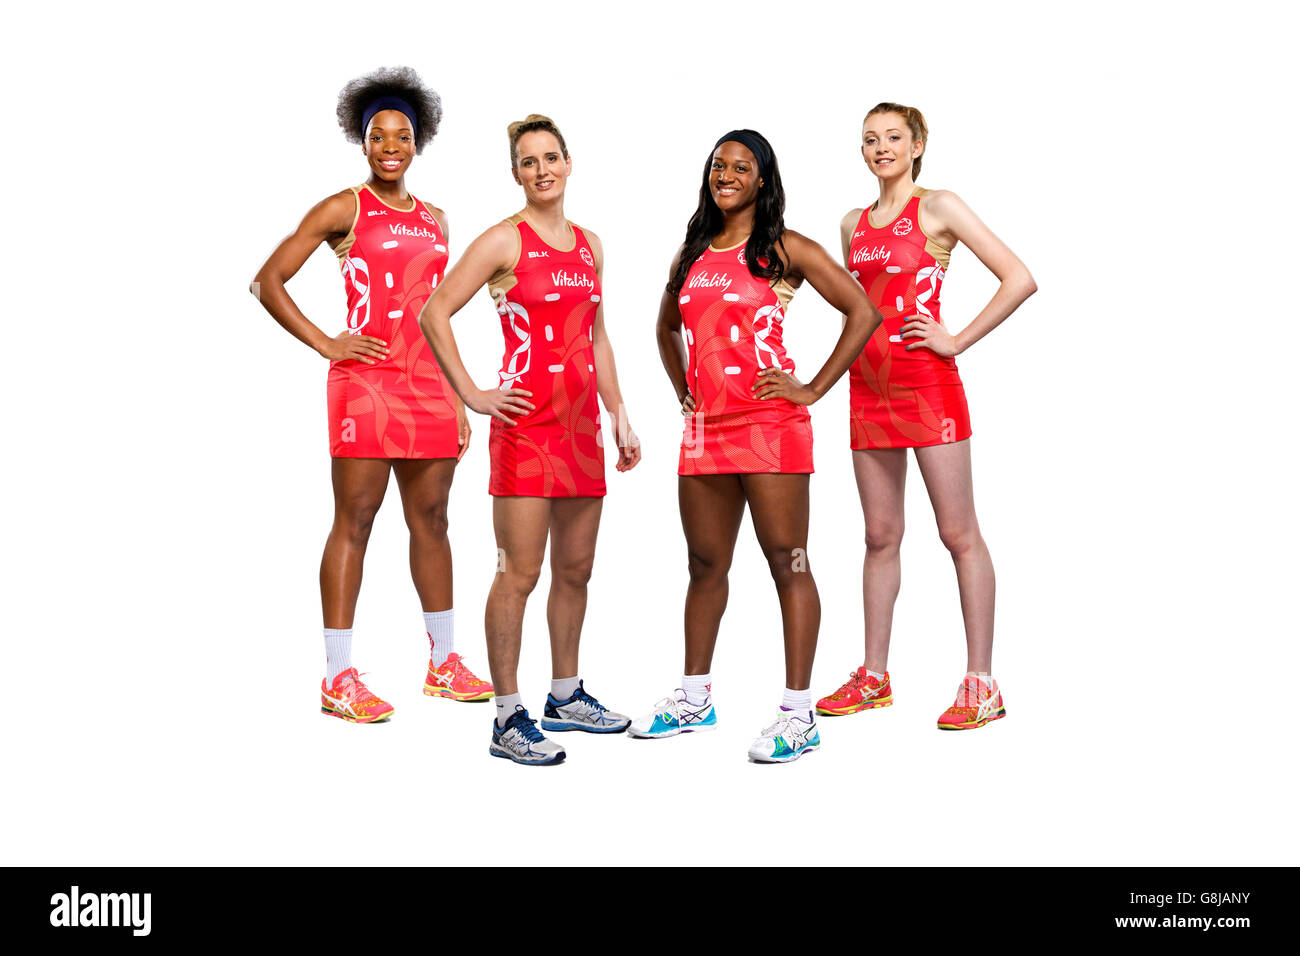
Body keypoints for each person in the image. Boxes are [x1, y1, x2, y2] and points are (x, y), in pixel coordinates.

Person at [628, 130, 881, 763]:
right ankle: (694, 698)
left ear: (762, 179)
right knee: (705, 566)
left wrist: (812, 388)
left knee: (787, 562)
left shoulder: (784, 248)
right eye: (719, 166)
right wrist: (683, 386)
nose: (728, 174)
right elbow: (665, 326)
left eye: (742, 167)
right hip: (706, 431)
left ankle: (799, 715)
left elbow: (862, 311)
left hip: (771, 427)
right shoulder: (691, 252)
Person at [251, 67, 492, 724]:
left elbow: (437, 312)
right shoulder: (343, 208)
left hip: (428, 390)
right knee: (355, 523)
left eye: (402, 136)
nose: (391, 146)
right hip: (366, 387)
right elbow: (267, 281)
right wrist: (329, 343)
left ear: (417, 144)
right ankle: (338, 678)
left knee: (434, 523)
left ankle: (444, 664)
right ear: (364, 143)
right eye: (379, 136)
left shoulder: (438, 219)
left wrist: (456, 395)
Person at [419, 114, 641, 765]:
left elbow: (596, 336)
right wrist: (473, 394)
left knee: (576, 570)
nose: (541, 170)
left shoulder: (591, 245)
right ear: (516, 172)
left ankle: (565, 696)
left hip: (581, 431)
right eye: (528, 161)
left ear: (569, 163)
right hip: (525, 429)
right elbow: (434, 310)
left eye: (551, 157)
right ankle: (506, 716)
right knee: (519, 573)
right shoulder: (502, 241)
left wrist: (620, 414)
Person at [815, 102, 1036, 730]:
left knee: (958, 533)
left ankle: (981, 682)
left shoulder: (939, 206)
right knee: (879, 537)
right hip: (868, 390)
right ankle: (874, 675)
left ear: (916, 145)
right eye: (869, 140)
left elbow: (1018, 277)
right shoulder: (852, 223)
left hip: (928, 386)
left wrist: (956, 339)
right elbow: (857, 312)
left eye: (892, 137)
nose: (880, 147)